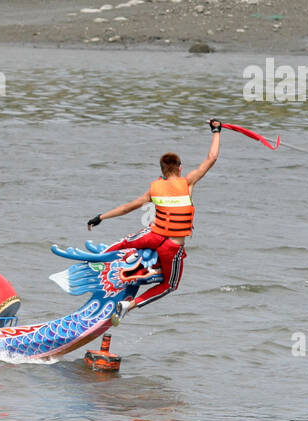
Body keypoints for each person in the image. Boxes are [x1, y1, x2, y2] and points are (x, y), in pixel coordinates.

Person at [86, 119, 222, 318]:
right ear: (180, 168)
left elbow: (126, 208)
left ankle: (96, 262)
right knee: (170, 285)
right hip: (172, 246)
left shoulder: (154, 189)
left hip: (151, 236)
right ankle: (128, 306)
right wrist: (216, 130)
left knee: (124, 242)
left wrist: (100, 217)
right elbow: (212, 157)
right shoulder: (188, 183)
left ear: (162, 171)